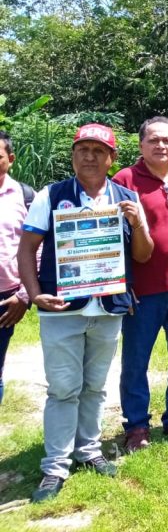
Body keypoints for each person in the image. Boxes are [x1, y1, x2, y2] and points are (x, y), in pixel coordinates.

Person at [17, 123, 153, 502]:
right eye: (83, 150)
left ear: (112, 158)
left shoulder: (126, 197)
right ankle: (55, 466)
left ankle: (89, 451)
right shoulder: (52, 195)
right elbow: (26, 249)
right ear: (73, 155)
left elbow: (143, 254)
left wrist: (137, 222)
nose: (90, 157)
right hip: (62, 309)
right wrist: (34, 294)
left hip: (108, 308)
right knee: (63, 389)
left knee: (95, 386)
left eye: (98, 151)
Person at [114, 116, 168, 452]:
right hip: (143, 290)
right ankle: (136, 426)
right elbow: (112, 237)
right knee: (136, 360)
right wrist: (124, 282)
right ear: (141, 145)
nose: (160, 145)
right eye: (153, 140)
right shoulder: (125, 179)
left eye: (167, 140)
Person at [0, 130, 32, 409]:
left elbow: (39, 248)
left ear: (9, 159)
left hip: (5, 298)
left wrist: (24, 295)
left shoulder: (24, 196)